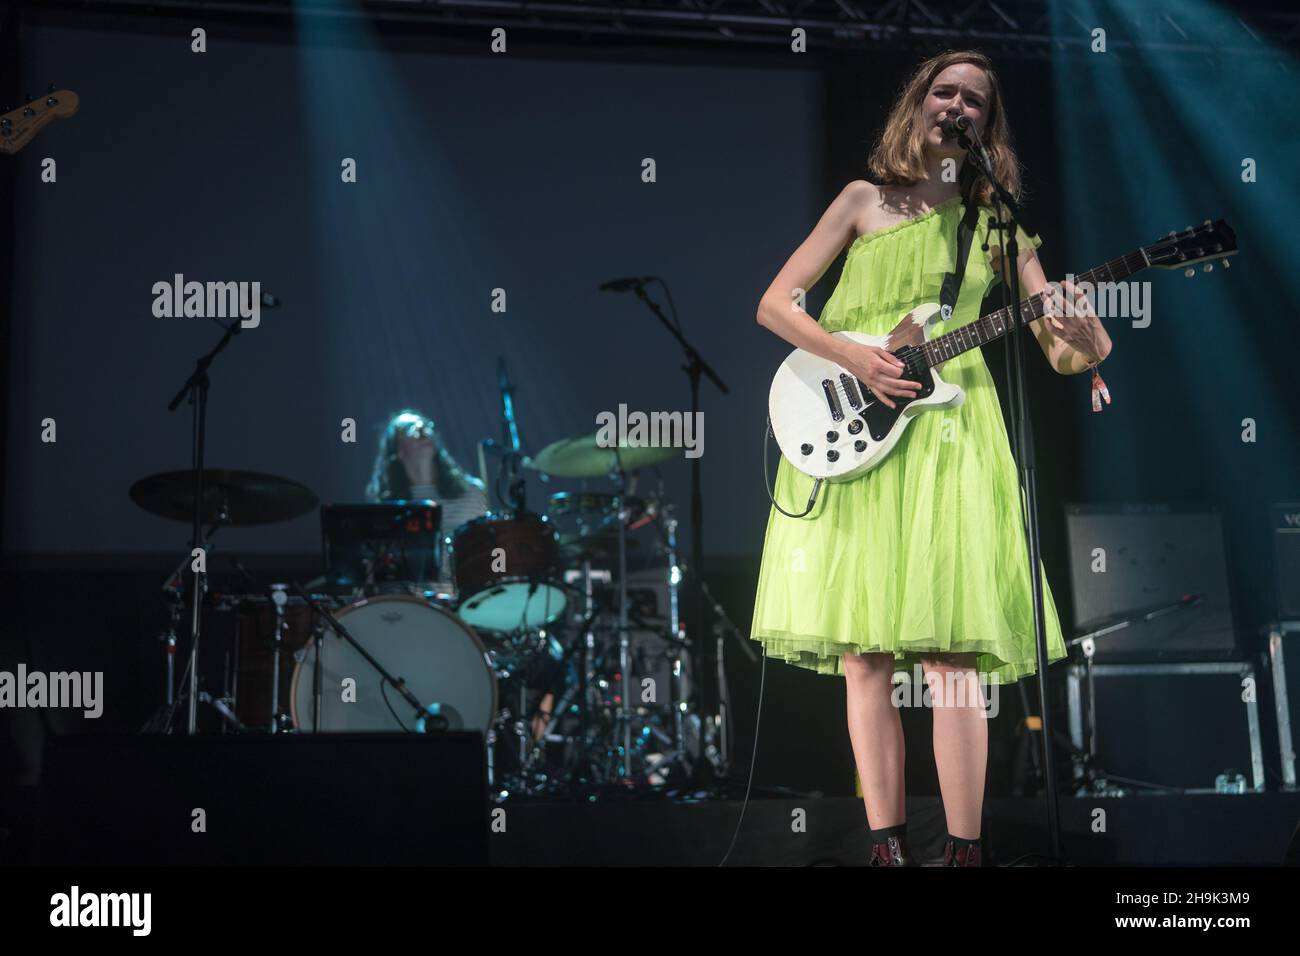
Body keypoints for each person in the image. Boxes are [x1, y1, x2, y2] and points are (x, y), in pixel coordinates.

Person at [750, 50, 1112, 867]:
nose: (955, 105)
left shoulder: (999, 222)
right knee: (865, 653)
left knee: (953, 656)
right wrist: (853, 358)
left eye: (973, 99)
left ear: (989, 123)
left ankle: (963, 850)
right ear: (918, 105)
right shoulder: (862, 200)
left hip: (952, 433)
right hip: (856, 424)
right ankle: (885, 846)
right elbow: (776, 303)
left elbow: (1053, 344)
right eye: (942, 91)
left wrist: (1087, 343)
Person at [366, 409, 489, 593]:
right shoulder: (388, 506)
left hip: (467, 599)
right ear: (398, 450)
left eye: (426, 426)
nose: (420, 429)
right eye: (409, 428)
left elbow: (486, 550)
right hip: (412, 607)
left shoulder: (472, 492)